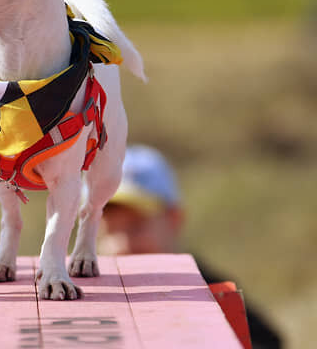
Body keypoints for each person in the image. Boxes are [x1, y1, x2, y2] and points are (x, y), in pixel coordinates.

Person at [99, 144, 283, 349]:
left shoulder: (210, 291)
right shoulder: (89, 293)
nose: (123, 244)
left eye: (136, 226)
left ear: (174, 220)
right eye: (110, 230)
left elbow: (267, 342)